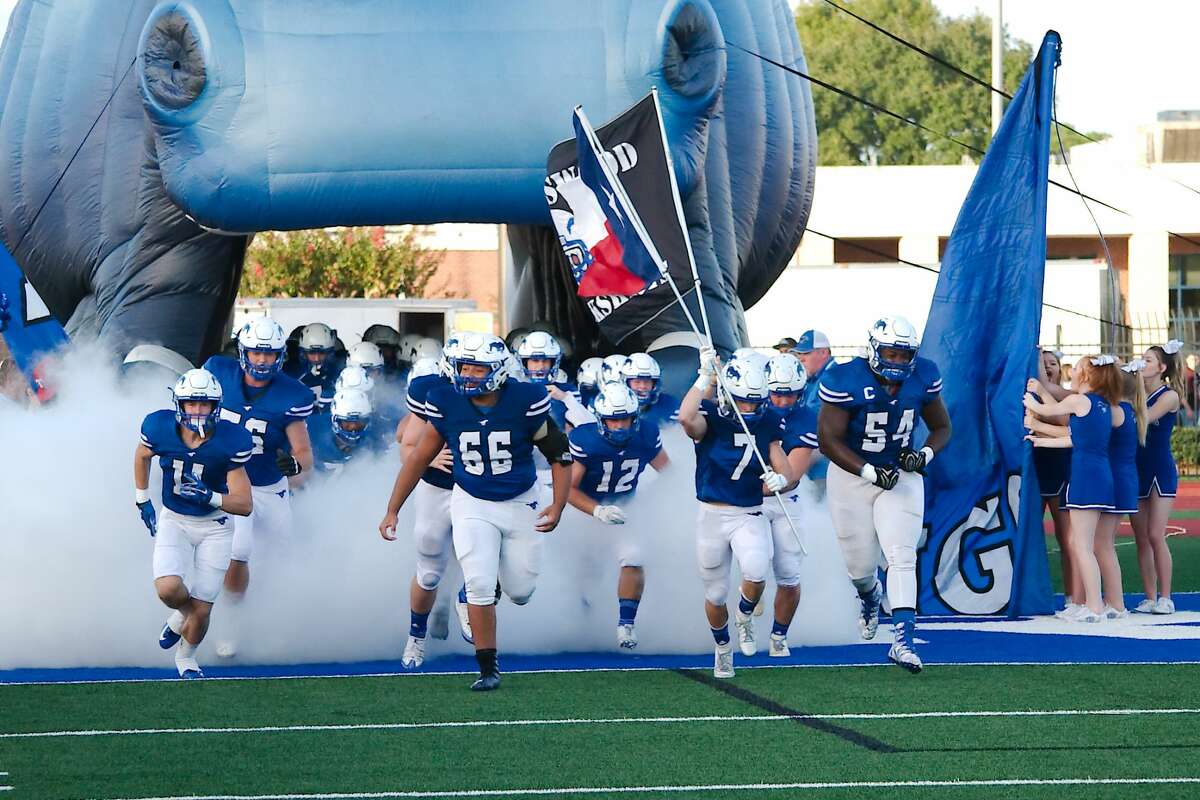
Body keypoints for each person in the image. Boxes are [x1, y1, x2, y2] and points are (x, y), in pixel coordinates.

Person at [379, 332, 572, 691]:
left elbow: (560, 454)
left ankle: (492, 585)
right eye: (463, 366)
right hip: (470, 499)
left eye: (477, 368)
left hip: (519, 500)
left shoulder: (525, 400)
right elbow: (419, 455)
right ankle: (487, 668)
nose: (467, 374)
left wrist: (558, 505)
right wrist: (393, 509)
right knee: (477, 583)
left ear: (499, 371)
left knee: (521, 591)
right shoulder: (445, 399)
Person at [818, 316, 951, 673]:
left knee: (902, 554)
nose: (896, 361)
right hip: (851, 475)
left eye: (903, 354)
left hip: (900, 475)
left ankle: (903, 640)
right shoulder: (844, 378)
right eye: (890, 353)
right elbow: (828, 440)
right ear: (875, 349)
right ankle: (869, 595)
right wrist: (867, 471)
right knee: (860, 567)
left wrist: (923, 455)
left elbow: (942, 427)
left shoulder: (923, 375)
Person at [203, 317, 315, 657]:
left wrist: (295, 469)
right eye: (255, 353)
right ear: (243, 352)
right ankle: (230, 622)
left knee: (278, 561)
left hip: (270, 488)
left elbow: (304, 457)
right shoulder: (218, 376)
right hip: (232, 484)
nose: (262, 360)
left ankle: (271, 624)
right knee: (239, 551)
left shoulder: (291, 395)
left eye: (269, 354)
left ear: (280, 356)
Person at [134, 369, 254, 677]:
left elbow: (244, 504)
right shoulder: (159, 427)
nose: (198, 410)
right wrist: (142, 497)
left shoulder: (232, 440)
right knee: (168, 589)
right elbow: (143, 454)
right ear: (179, 404)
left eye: (204, 404)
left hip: (216, 525)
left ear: (216, 406)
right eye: (191, 403)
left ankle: (186, 659)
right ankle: (180, 616)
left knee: (204, 607)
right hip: (174, 518)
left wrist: (211, 496)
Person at [679, 351, 791, 678]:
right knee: (714, 593)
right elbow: (687, 418)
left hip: (749, 511)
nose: (750, 409)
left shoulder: (767, 421)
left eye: (755, 402)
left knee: (757, 569)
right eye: (744, 402)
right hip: (712, 514)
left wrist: (781, 479)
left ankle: (744, 616)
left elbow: (781, 461)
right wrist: (704, 377)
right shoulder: (712, 415)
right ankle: (723, 648)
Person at [566, 383, 670, 649]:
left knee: (634, 556)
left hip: (624, 508)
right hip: (585, 509)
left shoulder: (646, 434)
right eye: (613, 420)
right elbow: (568, 489)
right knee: (586, 574)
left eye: (625, 419)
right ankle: (581, 622)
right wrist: (597, 510)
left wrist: (661, 499)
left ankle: (626, 624)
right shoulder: (584, 439)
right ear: (600, 420)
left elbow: (669, 472)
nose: (620, 426)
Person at [1025, 355, 1126, 624]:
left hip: (1084, 476)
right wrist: (1039, 440)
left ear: (1086, 375)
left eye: (1078, 368)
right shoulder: (1104, 405)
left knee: (1082, 546)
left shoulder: (1079, 401)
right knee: (1090, 545)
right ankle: (1097, 603)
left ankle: (1092, 606)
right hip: (1101, 474)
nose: (1073, 372)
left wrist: (1032, 396)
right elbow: (1075, 440)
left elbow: (1050, 410)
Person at [396, 354, 460, 669]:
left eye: (481, 369)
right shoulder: (432, 393)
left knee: (482, 556)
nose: (474, 377)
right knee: (431, 570)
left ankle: (464, 602)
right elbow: (406, 445)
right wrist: (429, 459)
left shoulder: (508, 399)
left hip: (481, 490)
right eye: (466, 368)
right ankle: (416, 636)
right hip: (436, 487)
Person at [761, 354, 818, 657]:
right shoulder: (745, 409)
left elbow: (793, 476)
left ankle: (778, 635)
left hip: (785, 500)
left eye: (790, 394)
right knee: (752, 564)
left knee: (789, 573)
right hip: (747, 502)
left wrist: (780, 481)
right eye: (777, 393)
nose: (782, 401)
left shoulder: (806, 418)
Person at [1132, 341, 1183, 614]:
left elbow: (1144, 420)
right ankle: (1150, 597)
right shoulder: (1134, 393)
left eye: (1148, 360)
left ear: (1162, 368)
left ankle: (1166, 597)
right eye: (1141, 359)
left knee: (1155, 534)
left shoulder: (1170, 396)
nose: (1142, 364)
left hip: (1160, 470)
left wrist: (1130, 391)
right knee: (1141, 537)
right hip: (1136, 469)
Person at [1029, 349, 1080, 614]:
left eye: (1052, 363)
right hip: (1034, 471)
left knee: (1067, 539)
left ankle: (1073, 597)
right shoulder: (1027, 394)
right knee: (1028, 538)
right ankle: (1029, 594)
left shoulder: (1065, 395)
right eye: (1042, 362)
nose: (1047, 367)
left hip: (1061, 470)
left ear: (1060, 369)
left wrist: (1036, 417)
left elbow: (1061, 419)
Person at [792, 329, 835, 489]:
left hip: (826, 467)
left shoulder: (833, 378)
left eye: (807, 353)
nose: (801, 358)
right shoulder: (812, 379)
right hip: (816, 464)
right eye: (799, 354)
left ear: (824, 353)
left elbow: (816, 421)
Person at [308, 389, 375, 475]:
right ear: (336, 421)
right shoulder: (312, 430)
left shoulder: (376, 435)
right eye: (347, 423)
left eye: (359, 422)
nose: (353, 428)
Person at [518, 331, 575, 430]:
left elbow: (587, 425)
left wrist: (566, 398)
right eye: (535, 360)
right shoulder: (512, 391)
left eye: (545, 361)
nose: (540, 366)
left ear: (553, 363)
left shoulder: (568, 391)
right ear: (525, 362)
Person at [284, 323, 339, 413]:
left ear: (330, 353)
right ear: (303, 353)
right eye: (311, 353)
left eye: (322, 353)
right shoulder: (289, 374)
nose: (317, 358)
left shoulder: (340, 375)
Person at [621, 352, 679, 429]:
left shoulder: (670, 404)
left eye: (647, 381)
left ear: (654, 383)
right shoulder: (615, 404)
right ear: (627, 383)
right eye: (637, 382)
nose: (642, 386)